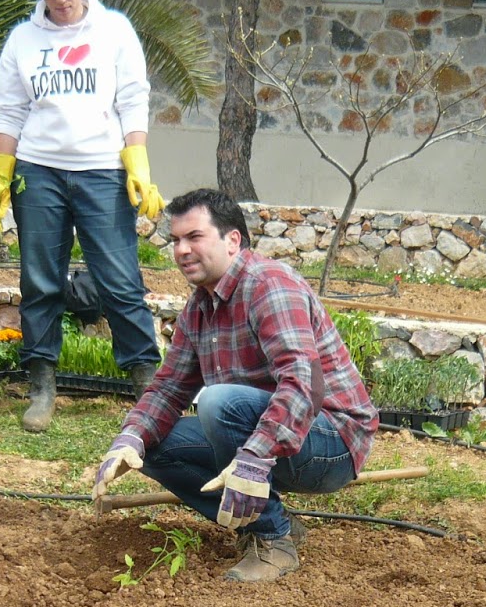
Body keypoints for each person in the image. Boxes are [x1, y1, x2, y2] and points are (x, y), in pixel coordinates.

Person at [91, 188, 379, 583]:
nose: (181, 250)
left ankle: (272, 540)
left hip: (330, 440)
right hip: (265, 435)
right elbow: (167, 389)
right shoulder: (198, 308)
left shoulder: (269, 286)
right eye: (175, 240)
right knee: (153, 448)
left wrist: (254, 458)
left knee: (219, 403)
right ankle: (275, 519)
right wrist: (130, 439)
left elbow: (304, 384)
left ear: (232, 240)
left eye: (194, 237)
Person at [0, 0, 165, 433]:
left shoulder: (114, 31)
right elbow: (10, 108)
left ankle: (147, 389)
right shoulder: (23, 40)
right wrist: (3, 171)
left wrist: (137, 162)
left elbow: (133, 97)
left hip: (103, 171)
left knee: (121, 281)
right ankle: (42, 386)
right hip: (38, 170)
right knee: (40, 280)